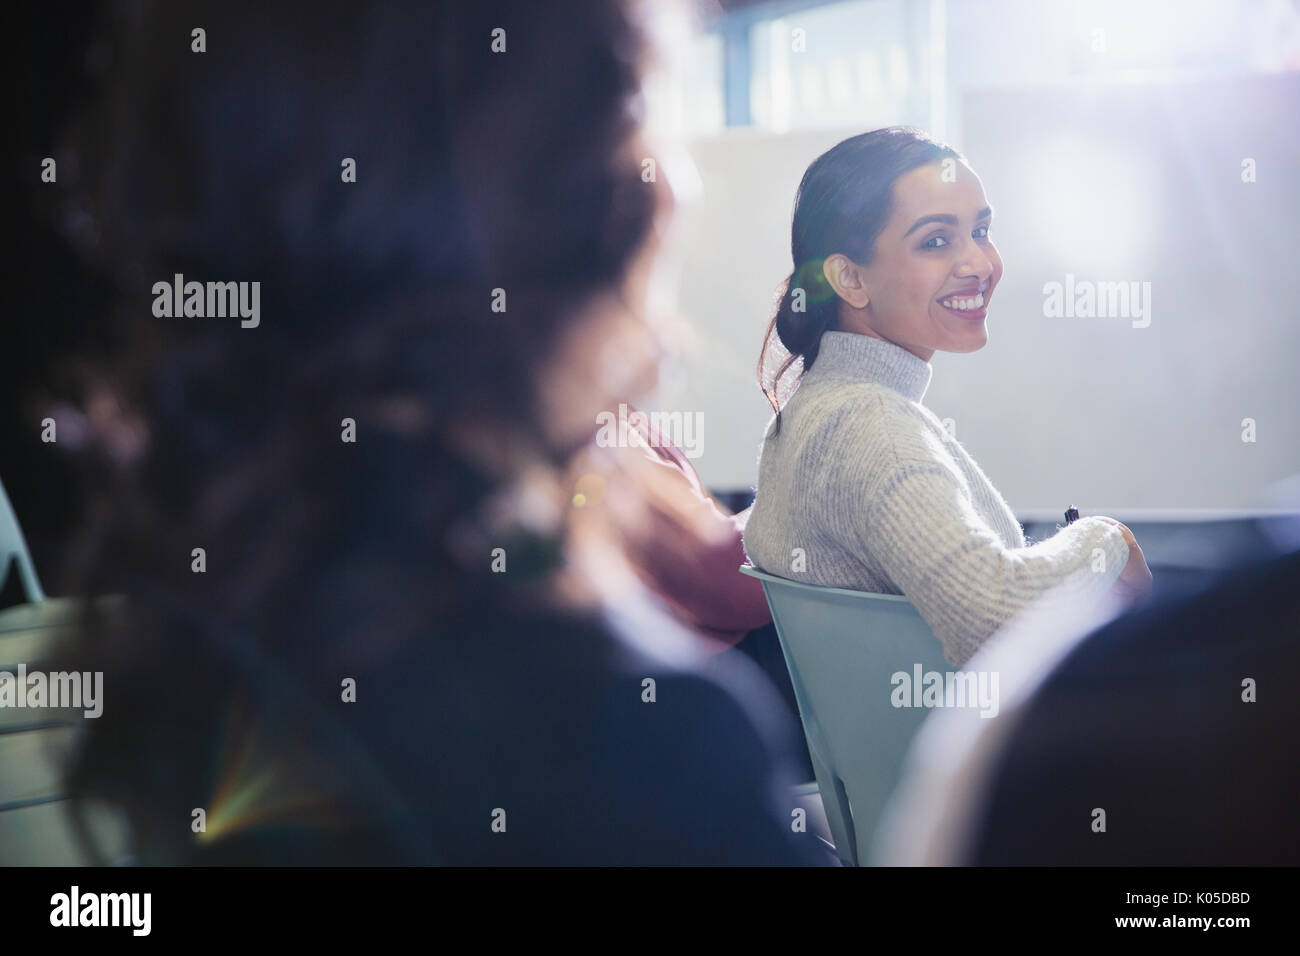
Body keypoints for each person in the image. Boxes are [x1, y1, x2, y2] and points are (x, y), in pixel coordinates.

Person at [44, 0, 824, 865]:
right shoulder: (652, 751)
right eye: (643, 117)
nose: (676, 183)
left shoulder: (210, 605)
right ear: (568, 204)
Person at [743, 127, 1152, 667]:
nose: (979, 264)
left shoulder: (815, 411)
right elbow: (993, 617)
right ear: (848, 278)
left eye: (981, 230)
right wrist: (1104, 541)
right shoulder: (870, 426)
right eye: (935, 241)